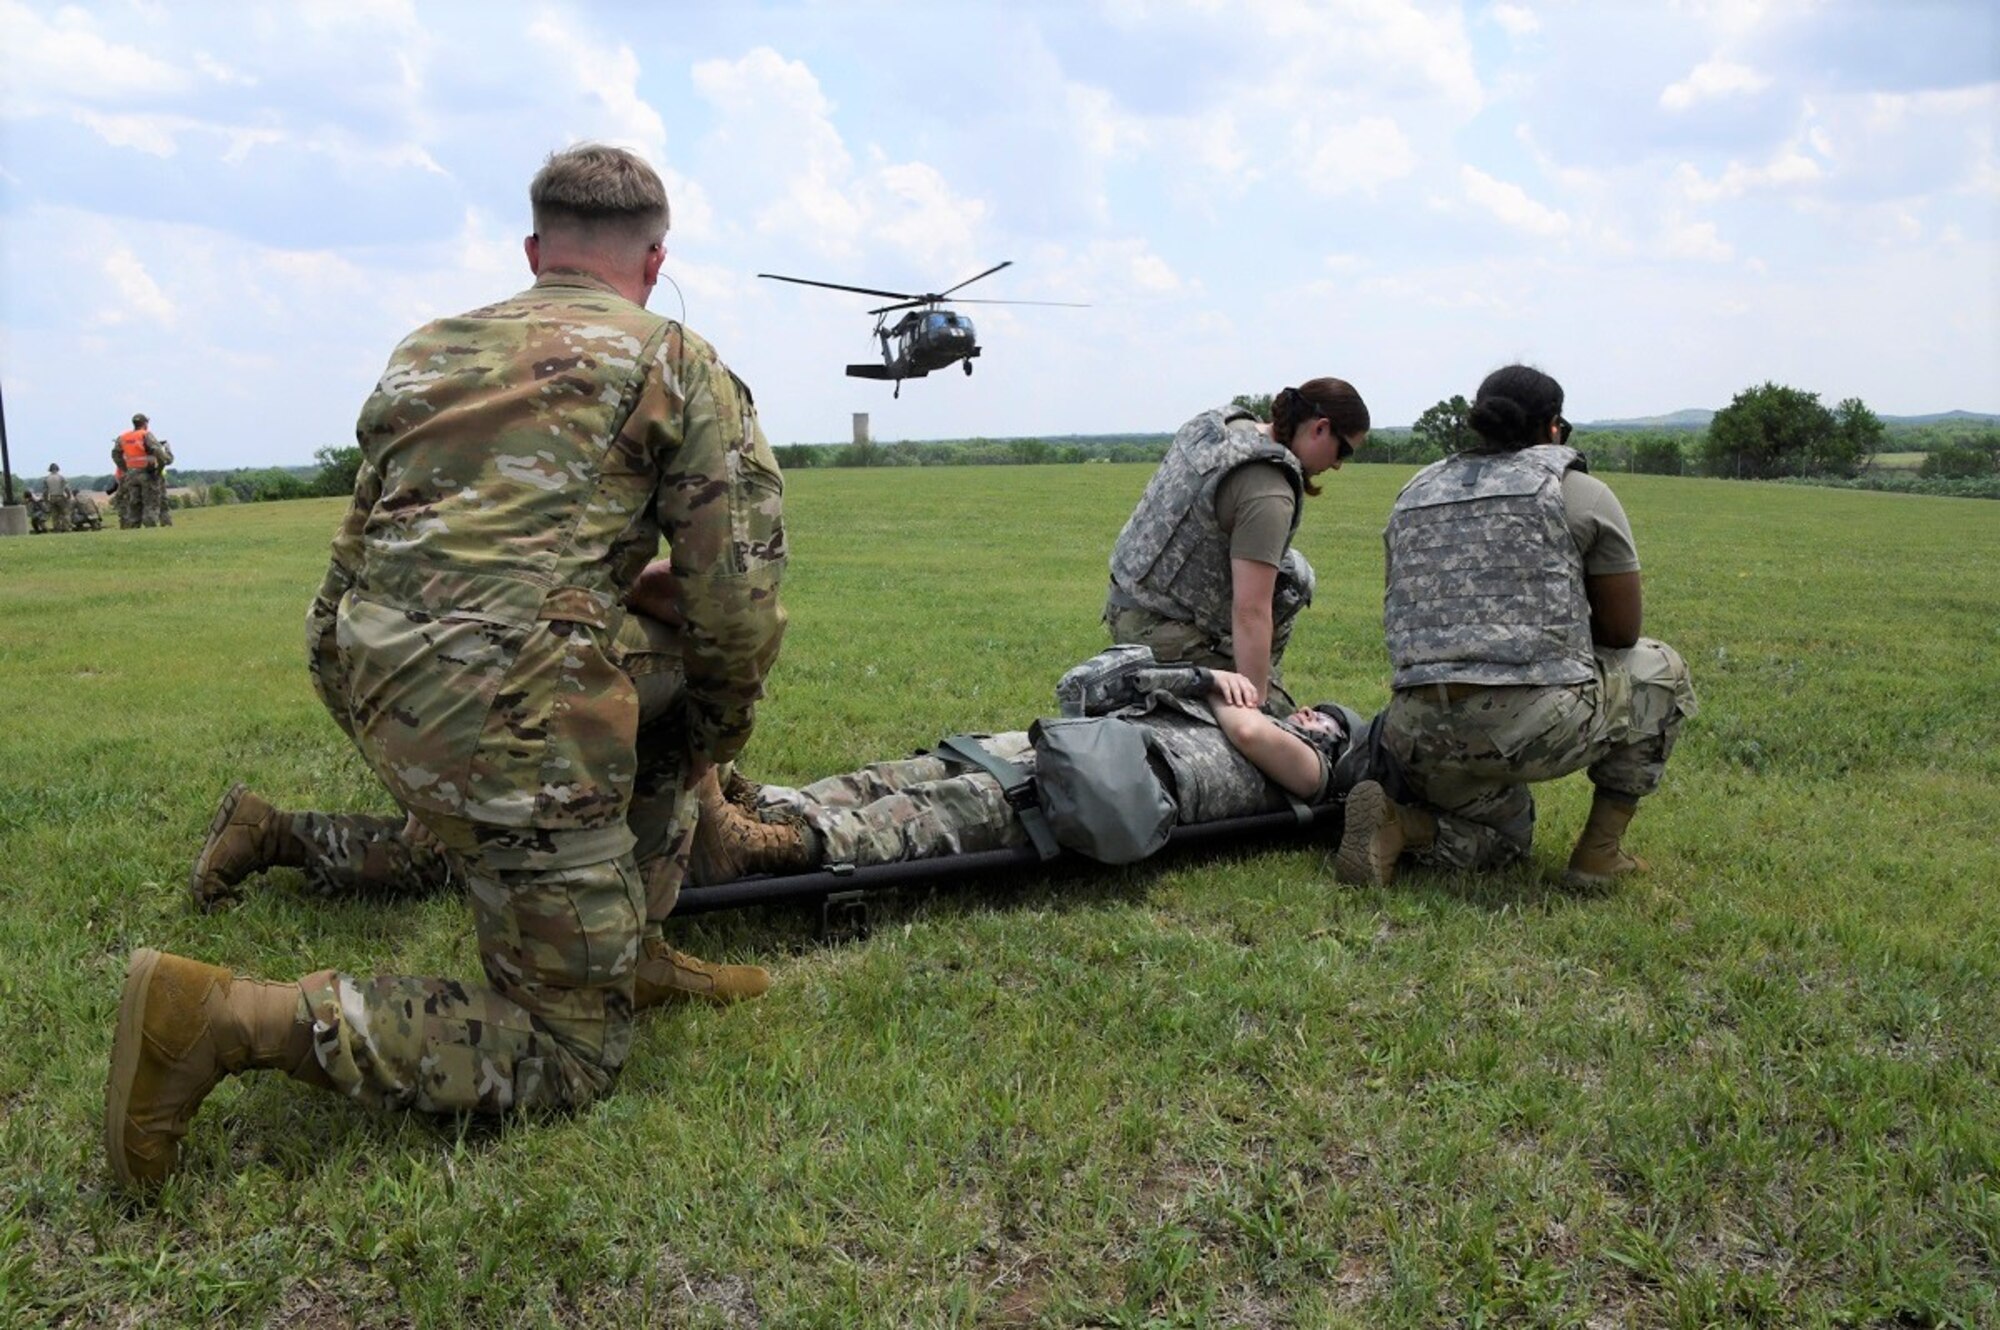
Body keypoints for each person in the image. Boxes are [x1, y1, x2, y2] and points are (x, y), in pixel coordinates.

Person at [105, 143, 789, 1191]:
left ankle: (629, 937)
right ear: (654, 262)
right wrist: (718, 740)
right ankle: (226, 1018)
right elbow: (736, 606)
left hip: (374, 680)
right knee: (570, 1051)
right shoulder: (677, 363)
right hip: (508, 715)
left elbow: (346, 570)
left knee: (651, 659)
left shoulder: (426, 350)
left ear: (532, 251)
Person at [1333, 364, 1697, 891]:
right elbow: (1622, 632)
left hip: (1413, 729)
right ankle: (1599, 855)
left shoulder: (1415, 490)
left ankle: (1401, 826)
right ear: (1553, 427)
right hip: (1525, 725)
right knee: (1662, 667)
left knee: (1509, 840)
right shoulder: (1580, 493)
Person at [691, 665, 1369, 882]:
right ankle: (771, 802)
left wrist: (1216, 686)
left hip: (1125, 777)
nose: (1308, 714)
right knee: (930, 768)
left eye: (1325, 720)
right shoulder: (1247, 720)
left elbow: (1248, 729)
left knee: (949, 810)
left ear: (1335, 745)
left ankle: (776, 845)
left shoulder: (1310, 773)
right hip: (1101, 742)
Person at [1105, 379, 1370, 714]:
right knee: (1285, 728)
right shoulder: (1269, 490)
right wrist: (1256, 709)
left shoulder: (1223, 427)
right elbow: (1251, 612)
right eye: (1343, 450)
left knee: (1292, 572)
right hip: (1161, 632)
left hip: (1125, 602)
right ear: (1320, 428)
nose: (1337, 465)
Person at [42, 464, 72, 532]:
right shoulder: (61, 477)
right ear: (57, 469)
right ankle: (66, 528)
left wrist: (46, 500)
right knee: (65, 513)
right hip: (61, 497)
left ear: (50, 469)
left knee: (55, 515)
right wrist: (68, 496)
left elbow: (45, 491)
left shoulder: (46, 479)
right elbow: (66, 488)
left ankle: (57, 529)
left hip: (52, 498)